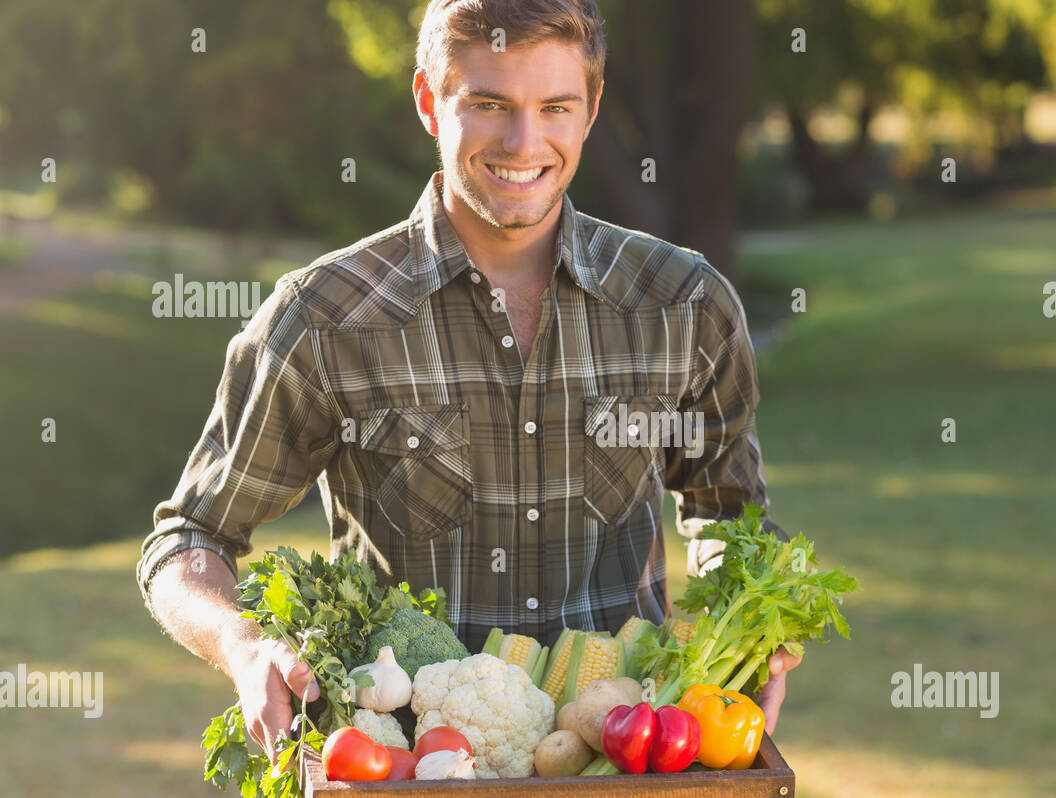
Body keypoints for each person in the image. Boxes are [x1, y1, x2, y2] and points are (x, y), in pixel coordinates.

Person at [136, 0, 798, 758]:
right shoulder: (326, 317)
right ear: (429, 101)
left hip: (629, 766)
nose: (525, 141)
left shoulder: (685, 302)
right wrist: (244, 645)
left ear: (592, 108)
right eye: (489, 104)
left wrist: (754, 625)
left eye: (555, 106)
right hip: (407, 775)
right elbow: (189, 539)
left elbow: (729, 514)